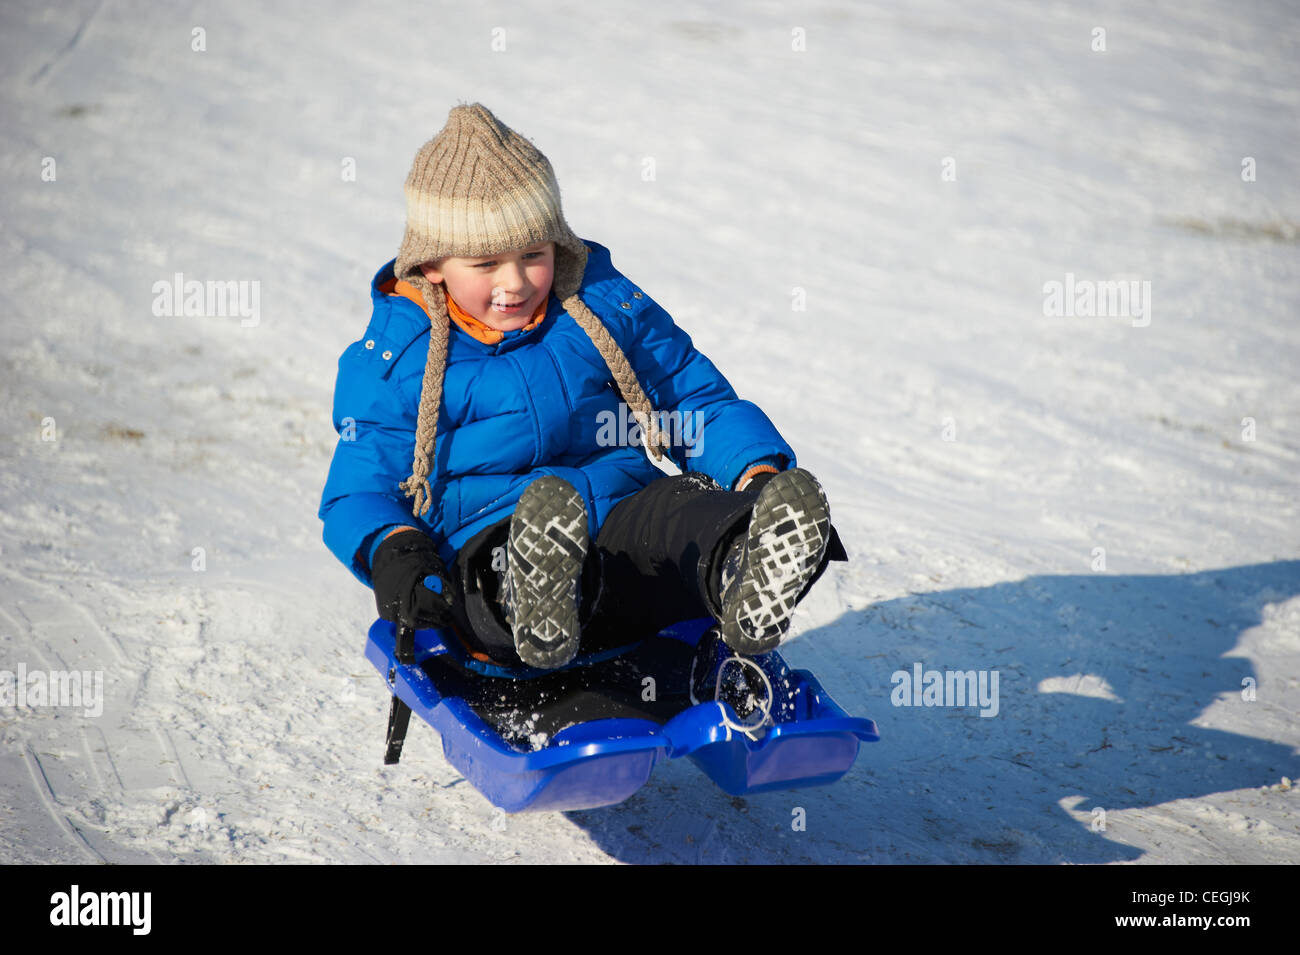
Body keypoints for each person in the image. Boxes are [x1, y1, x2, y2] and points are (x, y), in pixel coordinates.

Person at [319, 103, 845, 679]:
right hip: (486, 538)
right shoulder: (400, 358)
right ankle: (532, 604)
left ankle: (742, 561)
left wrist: (754, 477)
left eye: (533, 255)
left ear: (558, 244)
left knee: (676, 512)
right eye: (486, 263)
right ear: (434, 264)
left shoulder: (598, 304)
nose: (514, 282)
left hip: (620, 525)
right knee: (496, 566)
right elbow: (358, 488)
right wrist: (394, 547)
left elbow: (691, 400)